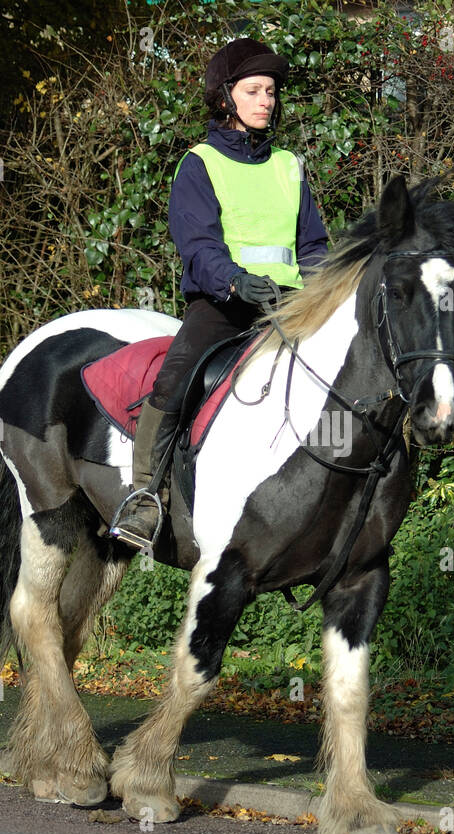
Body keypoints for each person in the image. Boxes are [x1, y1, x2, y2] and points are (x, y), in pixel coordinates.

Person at [111, 37, 329, 550]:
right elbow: (199, 245)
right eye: (254, 90)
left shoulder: (288, 166)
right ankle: (143, 496)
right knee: (174, 379)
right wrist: (234, 280)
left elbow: (314, 243)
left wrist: (321, 288)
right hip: (224, 306)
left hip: (291, 307)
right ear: (226, 98)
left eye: (271, 91)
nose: (266, 101)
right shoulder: (199, 164)